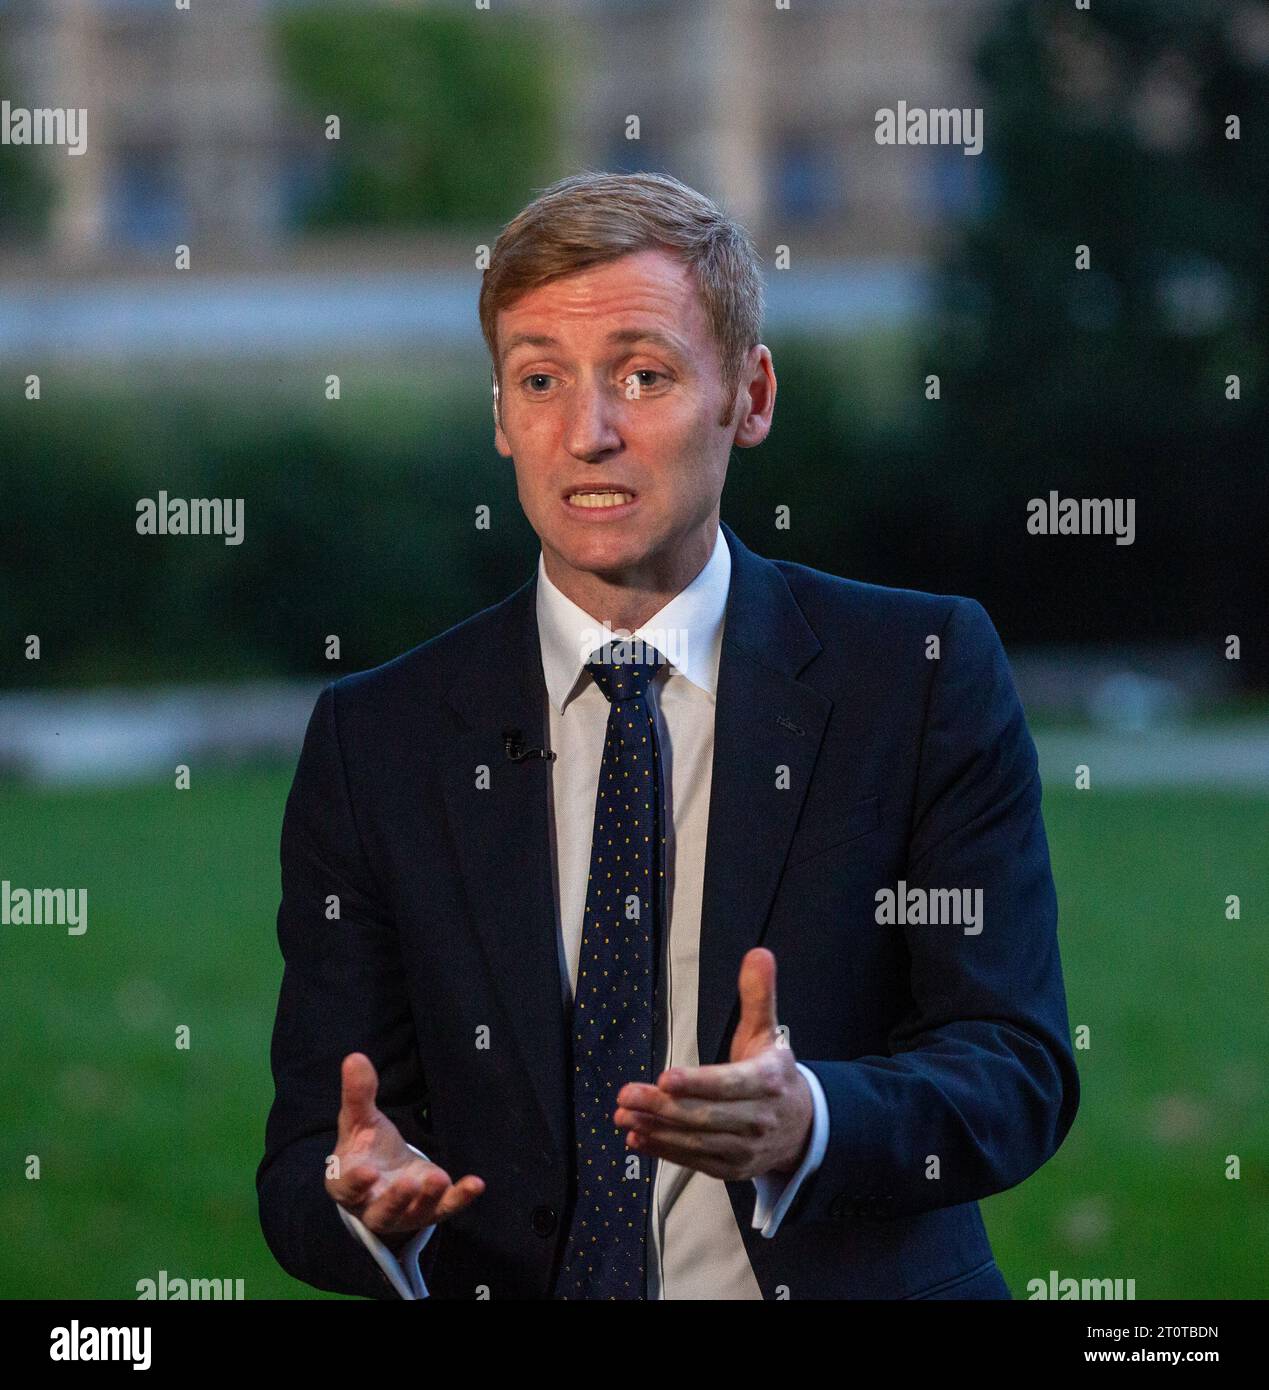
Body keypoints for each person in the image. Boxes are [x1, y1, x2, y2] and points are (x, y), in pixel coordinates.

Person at [256, 170, 1079, 1300]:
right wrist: (366, 1207)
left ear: (750, 396)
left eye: (643, 375)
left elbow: (1016, 1065)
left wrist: (811, 1121)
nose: (587, 433)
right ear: (500, 413)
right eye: (540, 379)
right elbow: (310, 1159)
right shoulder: (375, 739)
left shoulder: (922, 673)